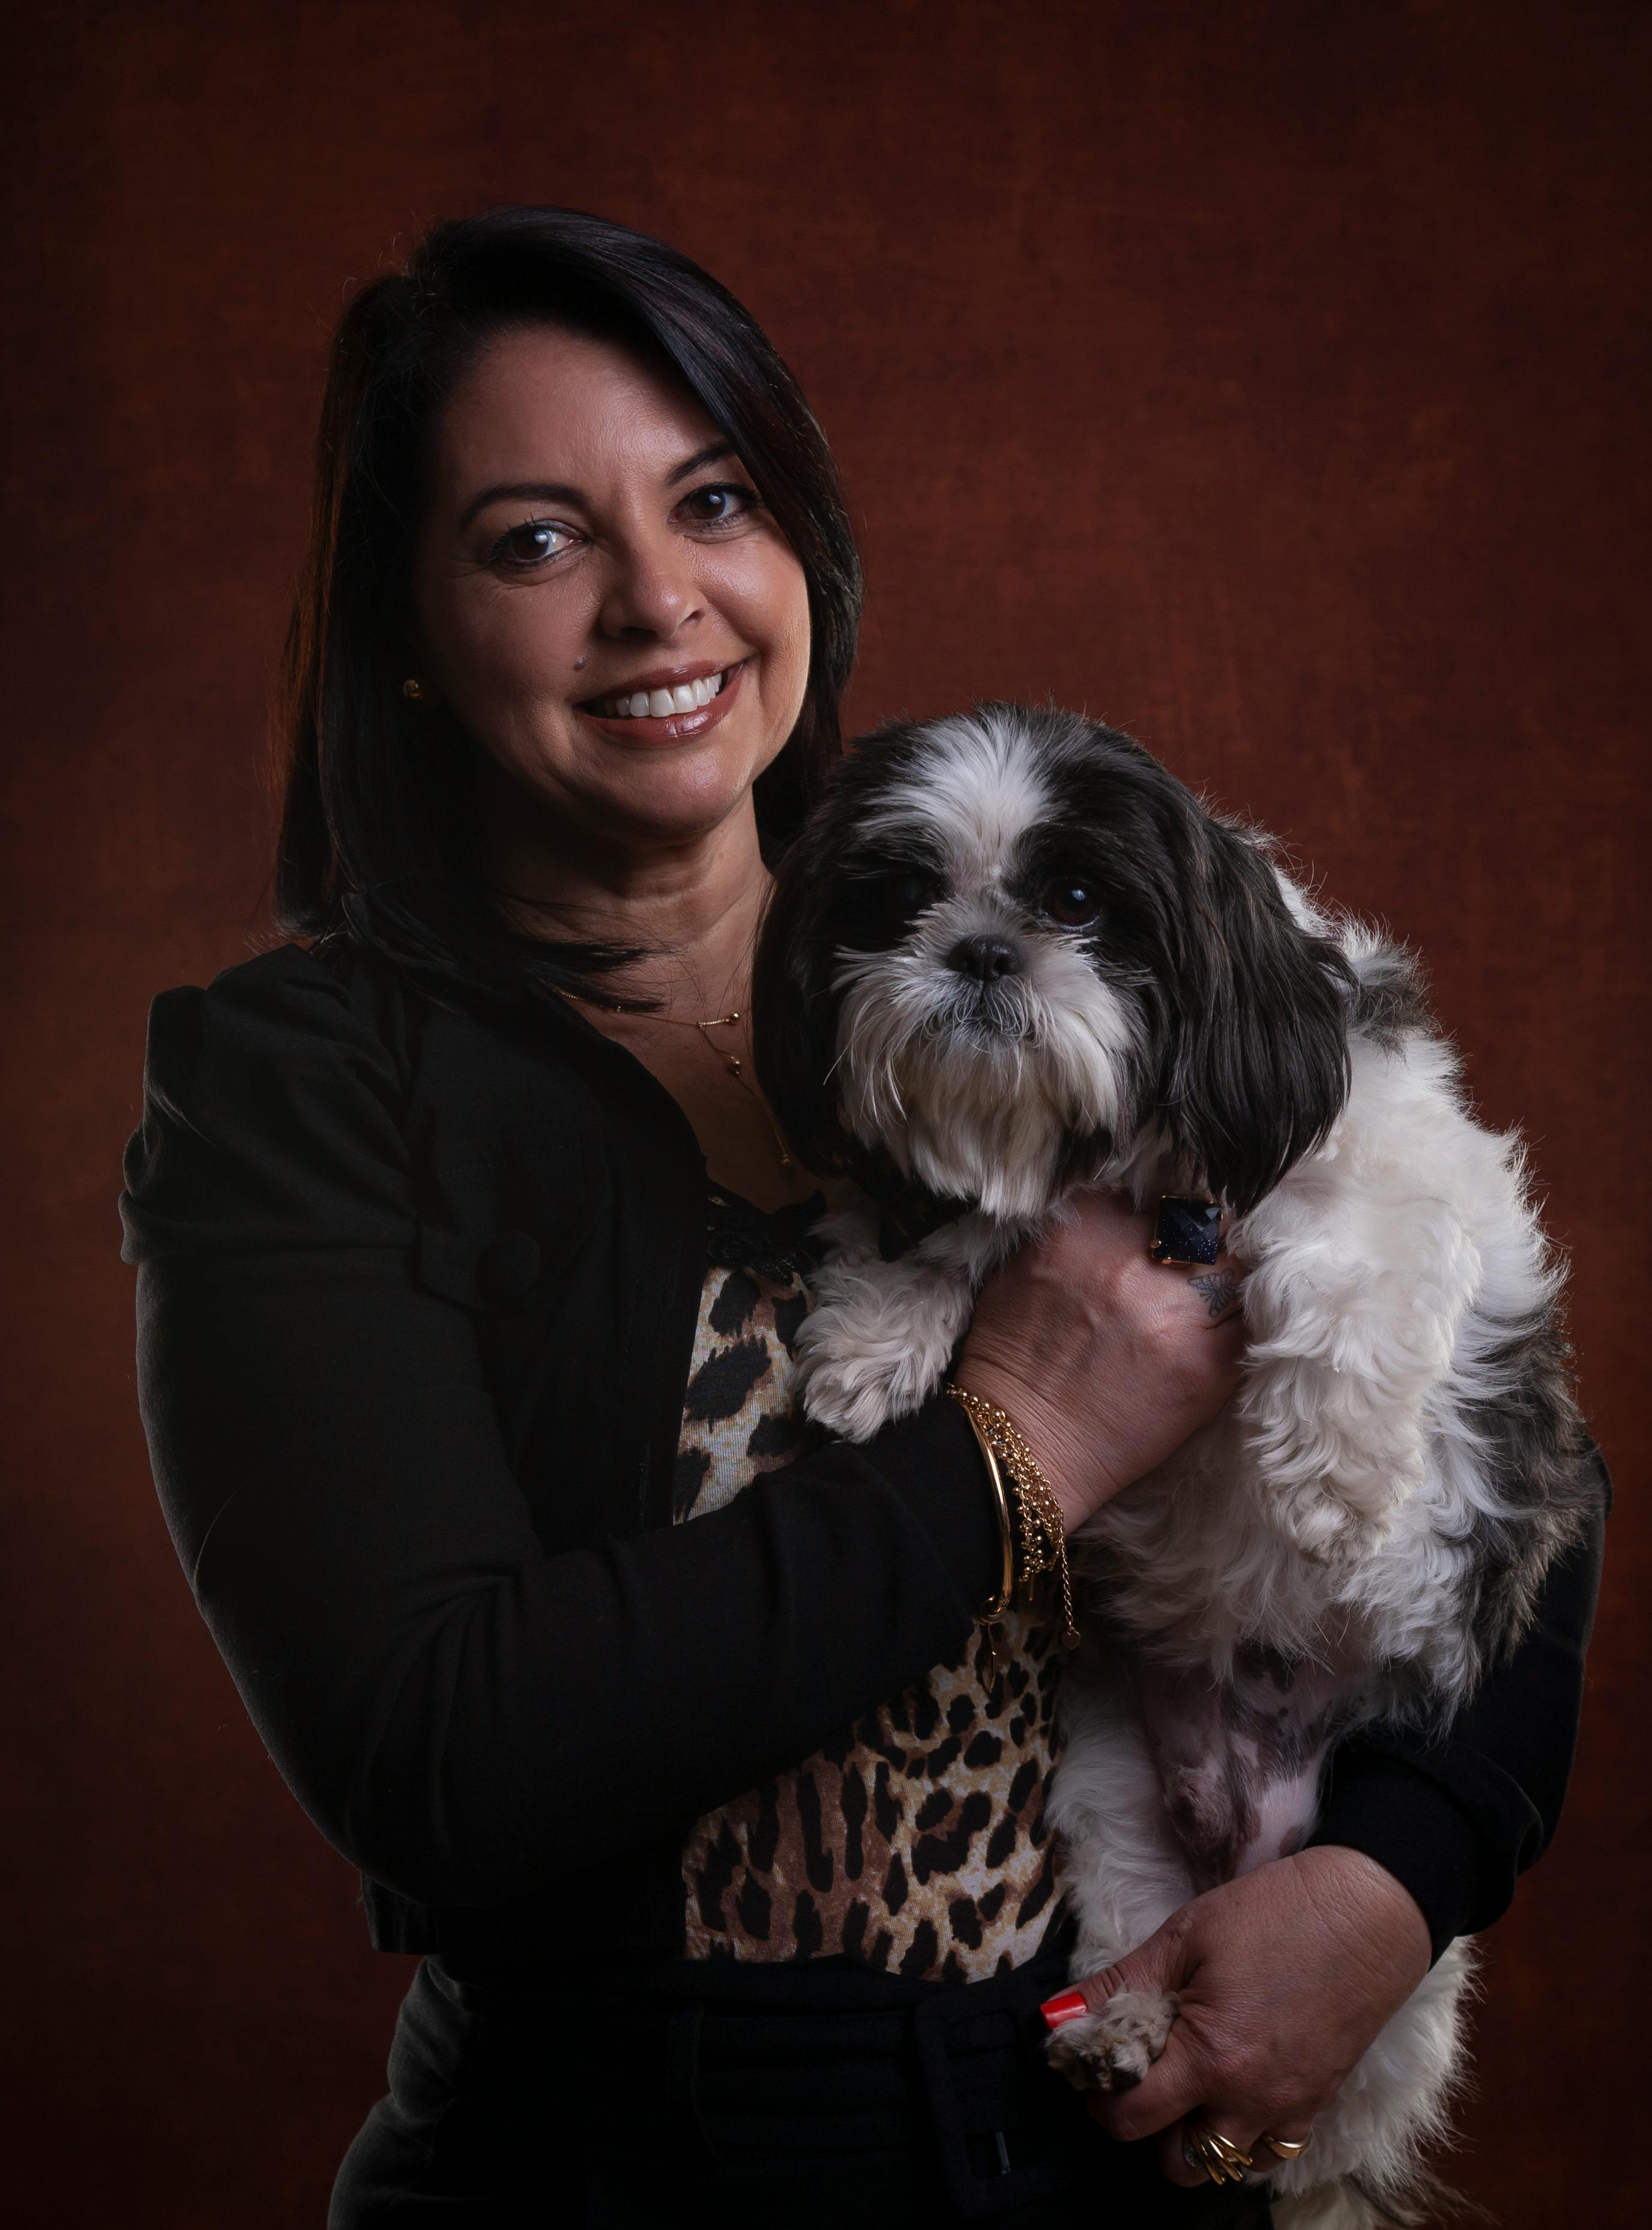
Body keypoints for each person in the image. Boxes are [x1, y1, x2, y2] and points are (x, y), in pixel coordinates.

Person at [119, 208, 1605, 2229]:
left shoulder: (1079, 919)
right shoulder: (303, 1089)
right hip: (630, 2171)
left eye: (713, 499)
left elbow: (1497, 1431)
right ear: (406, 618)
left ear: (797, 541)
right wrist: (1022, 1448)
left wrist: (1395, 1874)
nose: (660, 601)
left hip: (1101, 2136)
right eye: (537, 538)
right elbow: (438, 1747)